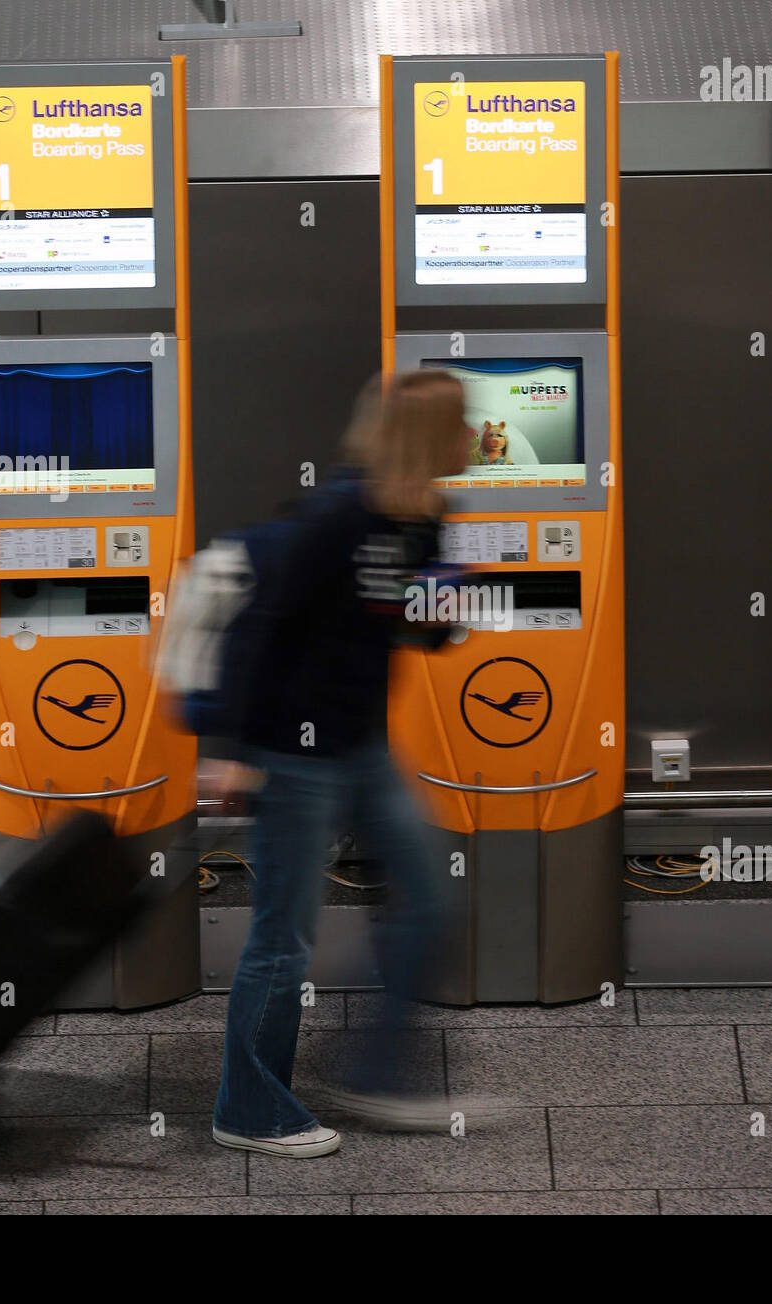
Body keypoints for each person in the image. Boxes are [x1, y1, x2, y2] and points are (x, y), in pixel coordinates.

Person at [212, 369, 474, 1158]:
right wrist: (232, 754)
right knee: (283, 937)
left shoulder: (427, 516)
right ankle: (250, 1110)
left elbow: (422, 633)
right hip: (292, 752)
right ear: (429, 438)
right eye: (462, 427)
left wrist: (447, 600)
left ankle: (377, 1078)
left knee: (427, 898)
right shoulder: (334, 518)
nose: (475, 440)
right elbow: (264, 635)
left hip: (361, 744)